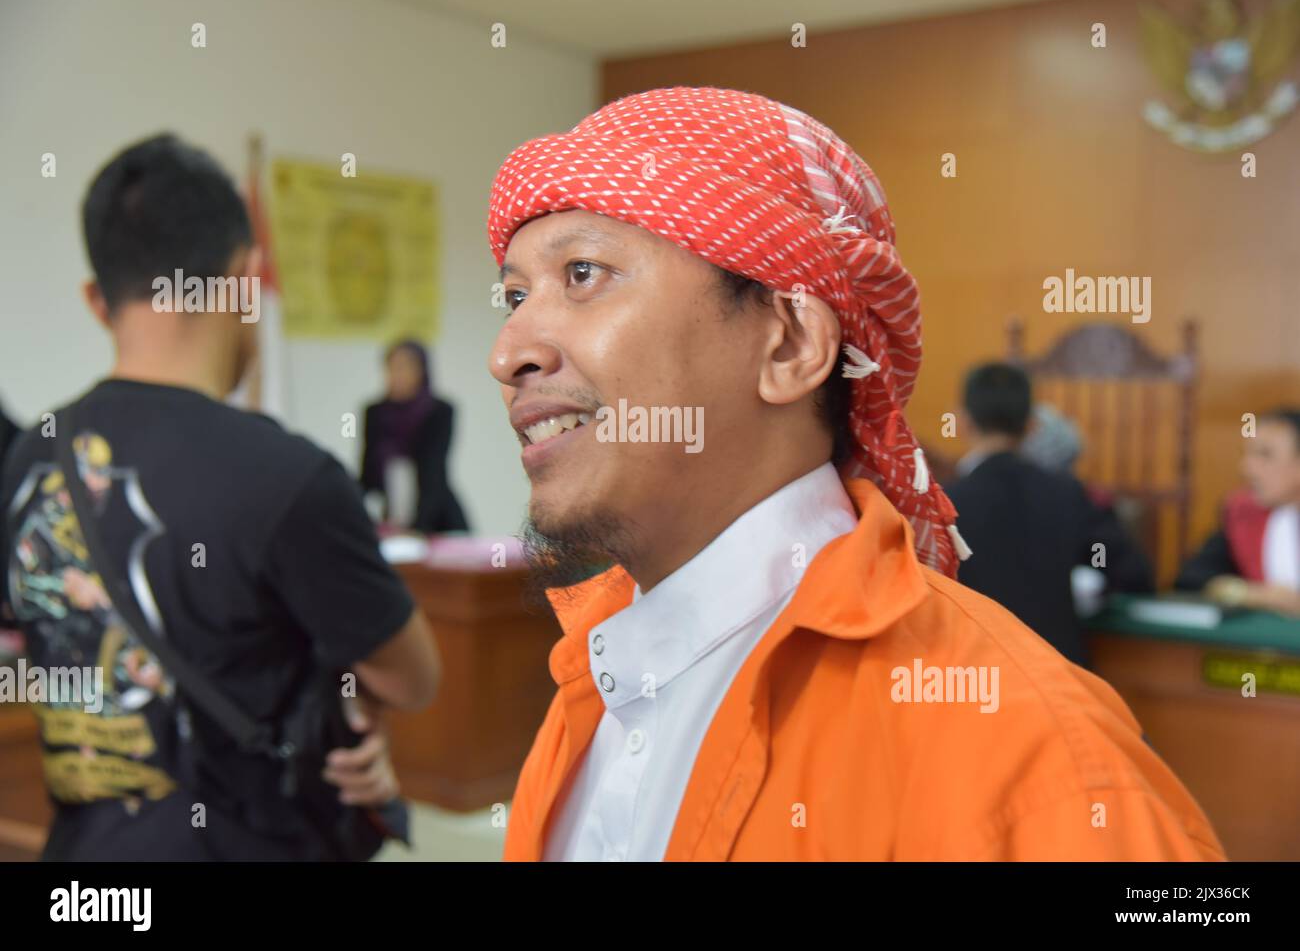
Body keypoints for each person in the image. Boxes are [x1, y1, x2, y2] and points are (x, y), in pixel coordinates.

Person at [487, 87, 1222, 861]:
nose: (508, 352)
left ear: (791, 344)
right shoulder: (593, 666)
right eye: (513, 294)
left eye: (582, 272)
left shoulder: (1033, 756)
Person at [0, 134, 440, 860]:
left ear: (95, 298)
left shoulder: (29, 456)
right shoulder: (288, 474)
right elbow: (413, 674)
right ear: (244, 278)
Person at [945, 364, 1154, 666]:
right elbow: (1133, 572)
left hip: (977, 681)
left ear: (962, 421)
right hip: (1060, 677)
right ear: (1032, 425)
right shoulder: (1066, 492)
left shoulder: (945, 504)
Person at [1176, 407, 1300, 616]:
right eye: (1247, 455)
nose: (1247, 468)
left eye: (1265, 455)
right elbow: (1192, 577)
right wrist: (1257, 595)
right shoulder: (1244, 514)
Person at [360, 339, 468, 533]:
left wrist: (419, 528)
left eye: (405, 367)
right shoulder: (375, 412)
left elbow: (434, 470)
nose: (397, 375)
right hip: (393, 516)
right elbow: (367, 472)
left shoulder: (439, 411)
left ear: (421, 371)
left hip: (436, 518)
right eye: (392, 368)